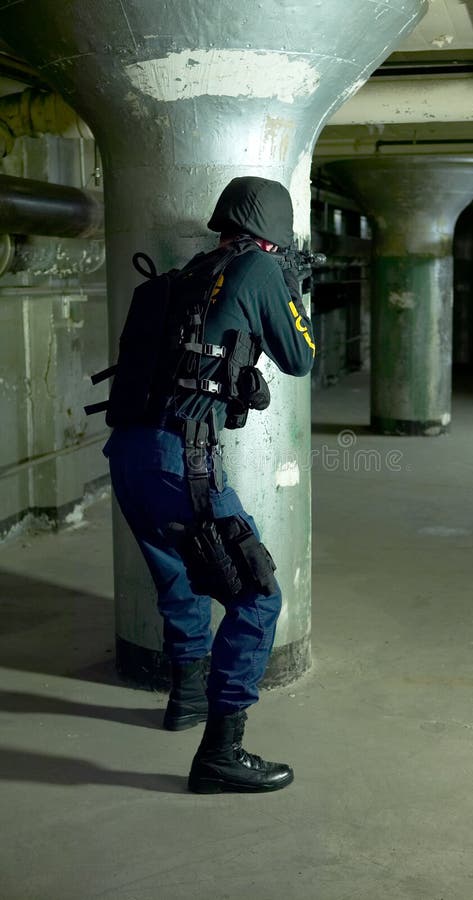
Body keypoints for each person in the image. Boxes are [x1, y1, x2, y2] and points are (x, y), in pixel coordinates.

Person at [103, 176, 315, 793]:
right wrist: (292, 291)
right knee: (258, 596)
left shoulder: (194, 270)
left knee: (178, 573)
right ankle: (221, 753)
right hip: (182, 462)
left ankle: (186, 700)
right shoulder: (258, 271)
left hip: (130, 453)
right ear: (275, 228)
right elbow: (300, 357)